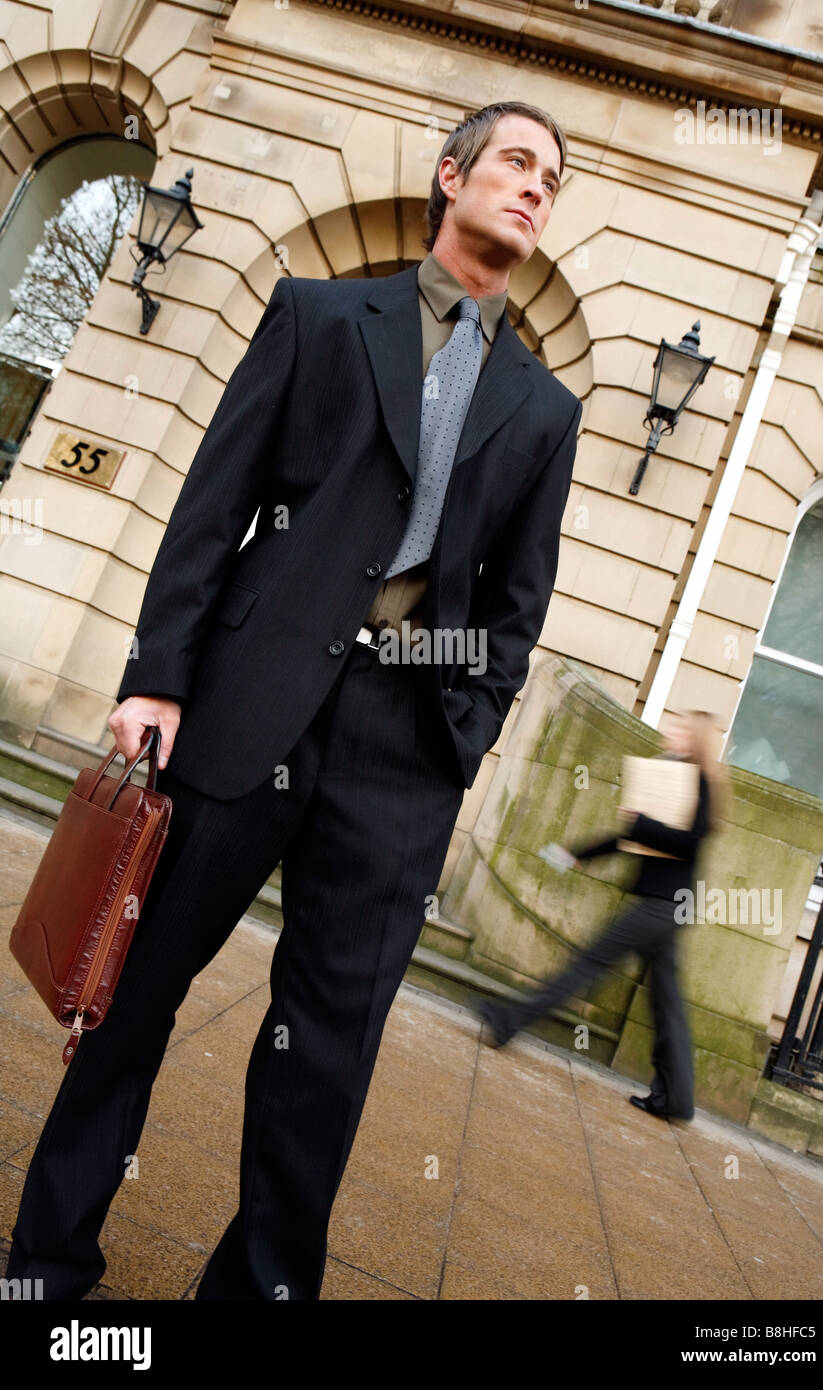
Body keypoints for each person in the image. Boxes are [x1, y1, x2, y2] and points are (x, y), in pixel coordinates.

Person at [7, 102, 582, 1300]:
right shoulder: (319, 314)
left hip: (399, 761)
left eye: (551, 180)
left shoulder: (544, 409)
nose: (534, 187)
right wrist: (157, 676)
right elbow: (211, 504)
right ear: (452, 175)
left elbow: (514, 608)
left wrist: (454, 733)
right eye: (516, 163)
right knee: (134, 996)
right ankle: (48, 1265)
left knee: (322, 1057)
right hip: (244, 704)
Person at [478, 711, 729, 1122]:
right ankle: (677, 1100)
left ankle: (509, 1020)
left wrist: (642, 822)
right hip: (666, 907)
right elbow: (634, 837)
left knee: (587, 964)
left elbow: (687, 844)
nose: (671, 731)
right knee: (667, 1005)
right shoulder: (671, 774)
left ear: (697, 739)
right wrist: (577, 854)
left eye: (681, 728)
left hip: (662, 906)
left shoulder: (698, 782)